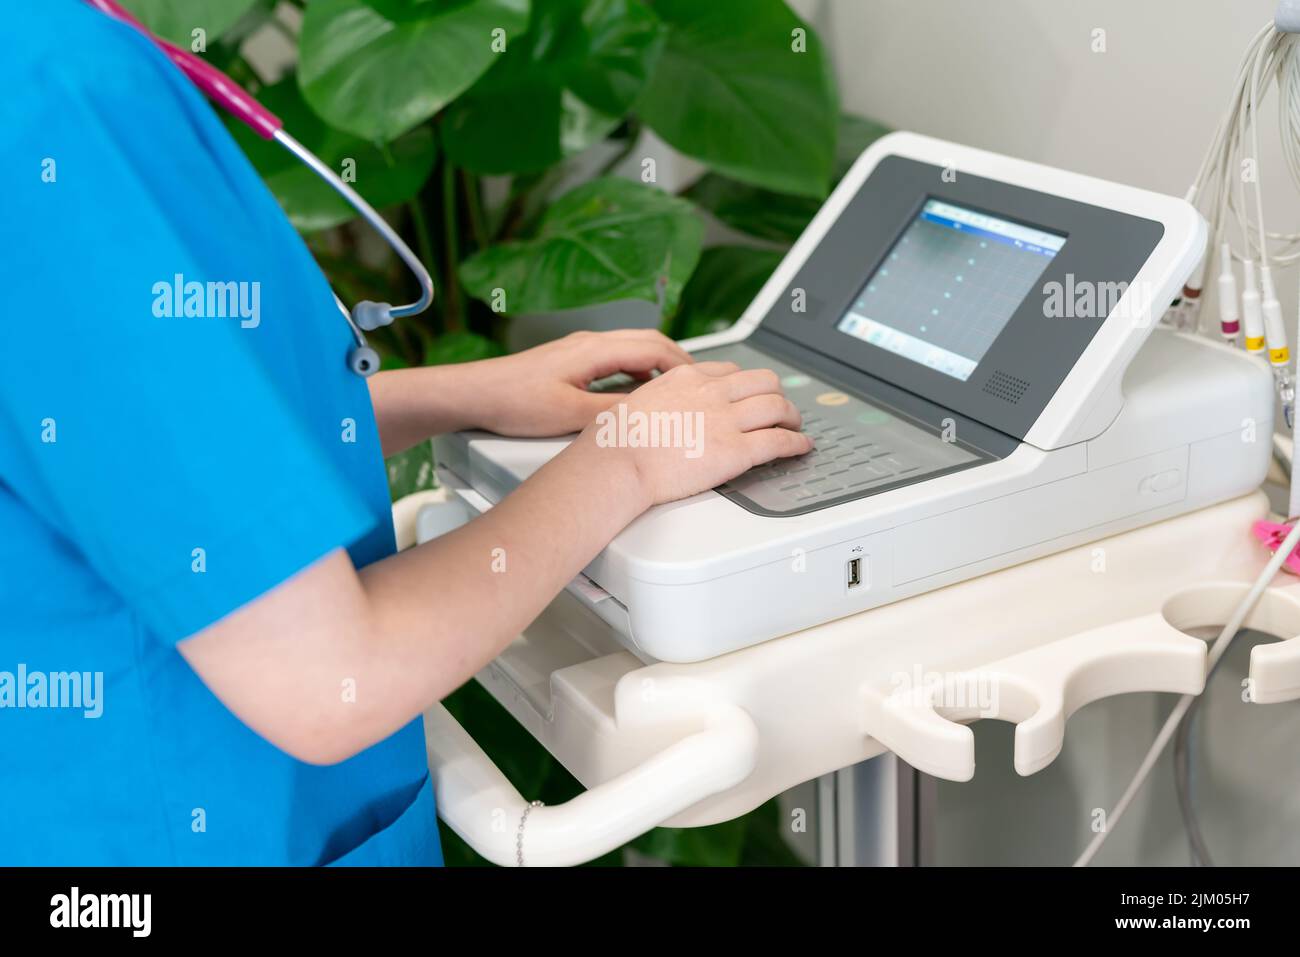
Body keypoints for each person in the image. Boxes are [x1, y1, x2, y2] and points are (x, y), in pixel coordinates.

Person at [0, 2, 809, 865]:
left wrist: (466, 392)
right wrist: (628, 463)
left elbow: (123, 457)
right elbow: (325, 679)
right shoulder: (53, 95)